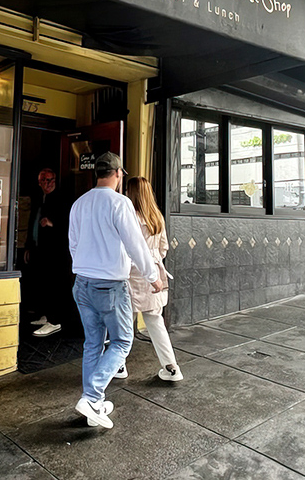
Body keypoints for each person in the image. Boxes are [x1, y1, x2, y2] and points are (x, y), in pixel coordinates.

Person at [69, 152, 163, 429]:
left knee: (93, 343)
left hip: (82, 283)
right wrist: (153, 276)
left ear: (96, 173)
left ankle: (94, 405)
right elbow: (136, 244)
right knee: (122, 341)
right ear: (119, 174)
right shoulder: (120, 203)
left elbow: (73, 244)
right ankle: (91, 397)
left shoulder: (79, 203)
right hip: (109, 285)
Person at [120, 176, 183, 382]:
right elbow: (164, 248)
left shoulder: (130, 217)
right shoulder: (157, 217)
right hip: (155, 274)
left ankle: (119, 364)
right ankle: (171, 367)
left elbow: (126, 248)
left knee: (124, 322)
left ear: (132, 193)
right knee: (156, 322)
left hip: (132, 275)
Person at [26, 168, 67, 337]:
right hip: (39, 248)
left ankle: (55, 321)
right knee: (42, 284)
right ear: (39, 183)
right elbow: (32, 224)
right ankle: (46, 316)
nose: (47, 183)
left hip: (55, 252)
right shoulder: (39, 198)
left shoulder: (61, 199)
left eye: (50, 180)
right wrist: (28, 246)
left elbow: (70, 225)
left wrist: (53, 224)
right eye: (44, 180)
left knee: (53, 285)